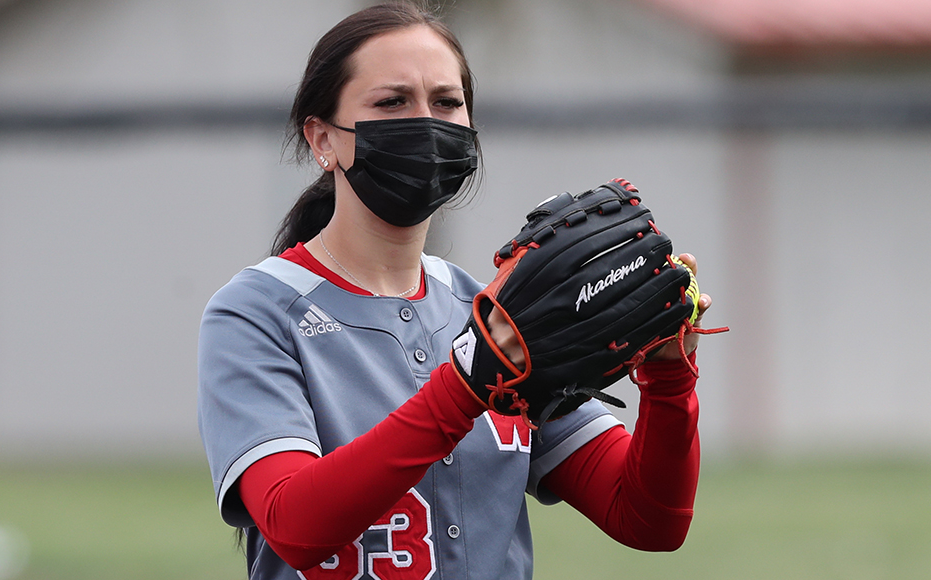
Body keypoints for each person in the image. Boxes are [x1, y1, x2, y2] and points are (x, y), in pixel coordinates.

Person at [198, 3, 714, 579]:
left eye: (446, 103)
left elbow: (649, 520)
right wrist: (468, 383)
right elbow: (295, 523)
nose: (426, 122)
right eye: (392, 102)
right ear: (323, 138)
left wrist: (669, 378)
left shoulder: (498, 314)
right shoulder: (256, 313)